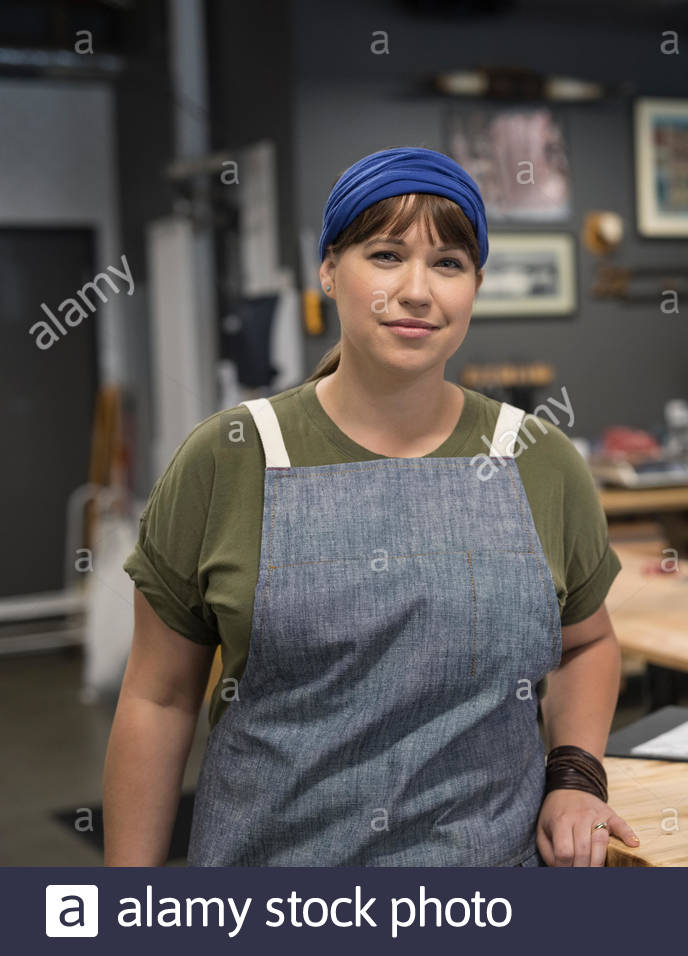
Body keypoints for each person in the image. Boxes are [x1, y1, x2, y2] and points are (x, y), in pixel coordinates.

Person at [103, 146, 638, 867]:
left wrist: (575, 774)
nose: (417, 291)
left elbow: (588, 642)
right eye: (386, 255)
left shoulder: (536, 459)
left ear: (476, 285)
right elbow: (158, 699)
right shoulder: (231, 456)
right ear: (329, 269)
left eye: (448, 264)